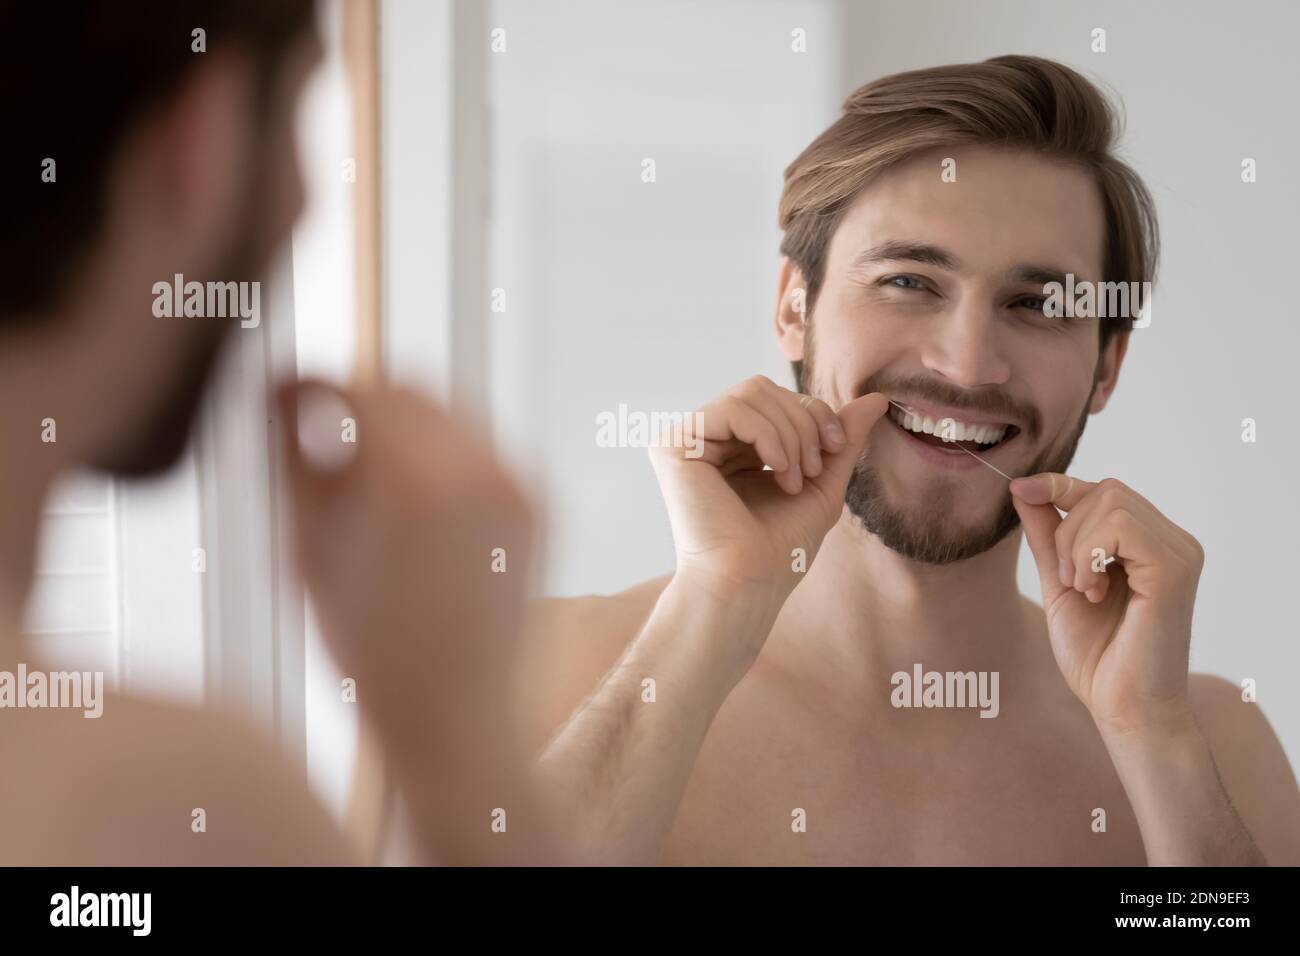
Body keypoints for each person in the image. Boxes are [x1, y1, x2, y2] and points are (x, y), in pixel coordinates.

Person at [522, 55, 1300, 865]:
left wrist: (1153, 740)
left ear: (1107, 366)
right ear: (794, 309)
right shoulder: (535, 673)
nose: (967, 366)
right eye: (908, 282)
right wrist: (713, 609)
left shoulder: (1209, 749)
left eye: (1035, 305)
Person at [0, 1, 548, 865]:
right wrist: (460, 754)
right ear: (203, 133)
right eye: (298, 106)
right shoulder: (178, 811)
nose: (298, 202)